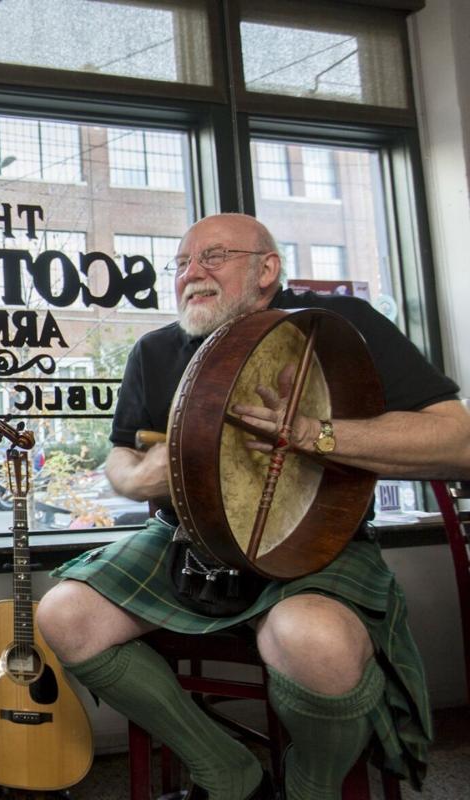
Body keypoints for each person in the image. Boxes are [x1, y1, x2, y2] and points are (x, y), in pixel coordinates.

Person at [34, 213, 470, 800]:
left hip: (318, 539)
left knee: (316, 640)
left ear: (268, 269)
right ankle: (227, 773)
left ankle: (310, 783)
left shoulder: (342, 327)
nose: (193, 273)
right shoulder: (156, 351)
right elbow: (120, 454)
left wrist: (318, 434)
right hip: (184, 538)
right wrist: (140, 478)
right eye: (182, 263)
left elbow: (456, 442)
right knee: (62, 614)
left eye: (213, 256)